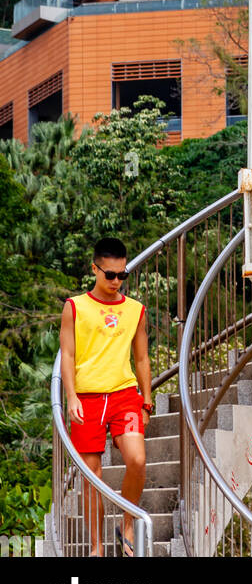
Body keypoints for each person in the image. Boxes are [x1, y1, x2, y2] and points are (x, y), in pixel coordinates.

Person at [59, 238, 151, 557]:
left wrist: (147, 400)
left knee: (137, 460)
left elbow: (141, 359)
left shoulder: (135, 310)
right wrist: (71, 396)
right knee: (91, 477)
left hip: (125, 395)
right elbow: (67, 356)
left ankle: (126, 526)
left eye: (121, 275)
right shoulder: (74, 307)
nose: (115, 281)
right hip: (88, 398)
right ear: (94, 268)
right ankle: (97, 547)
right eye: (109, 274)